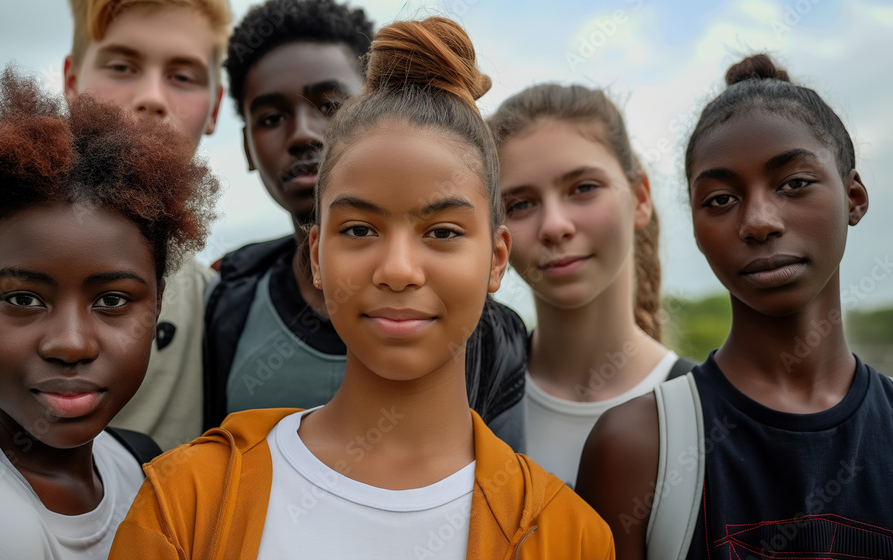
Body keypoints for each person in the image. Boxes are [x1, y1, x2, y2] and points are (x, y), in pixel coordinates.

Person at [110, 17, 614, 558]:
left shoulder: (567, 535)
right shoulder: (185, 500)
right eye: (359, 229)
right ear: (318, 255)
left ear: (496, 260)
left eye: (442, 232)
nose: (398, 270)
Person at [0, 0, 231, 478]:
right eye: (121, 66)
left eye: (183, 76)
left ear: (215, 107)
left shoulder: (212, 293)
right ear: (71, 81)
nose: (152, 97)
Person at [577, 54, 893, 560]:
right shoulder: (638, 447)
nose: (759, 222)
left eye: (794, 183)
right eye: (721, 199)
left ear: (854, 197)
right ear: (699, 228)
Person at [205, 0, 528, 450]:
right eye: (272, 117)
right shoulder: (224, 295)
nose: (302, 133)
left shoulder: (489, 332)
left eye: (332, 106)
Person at [486, 84, 694, 486]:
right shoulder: (467, 405)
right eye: (520, 204)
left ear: (640, 198)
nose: (555, 226)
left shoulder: (707, 412)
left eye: (583, 188)